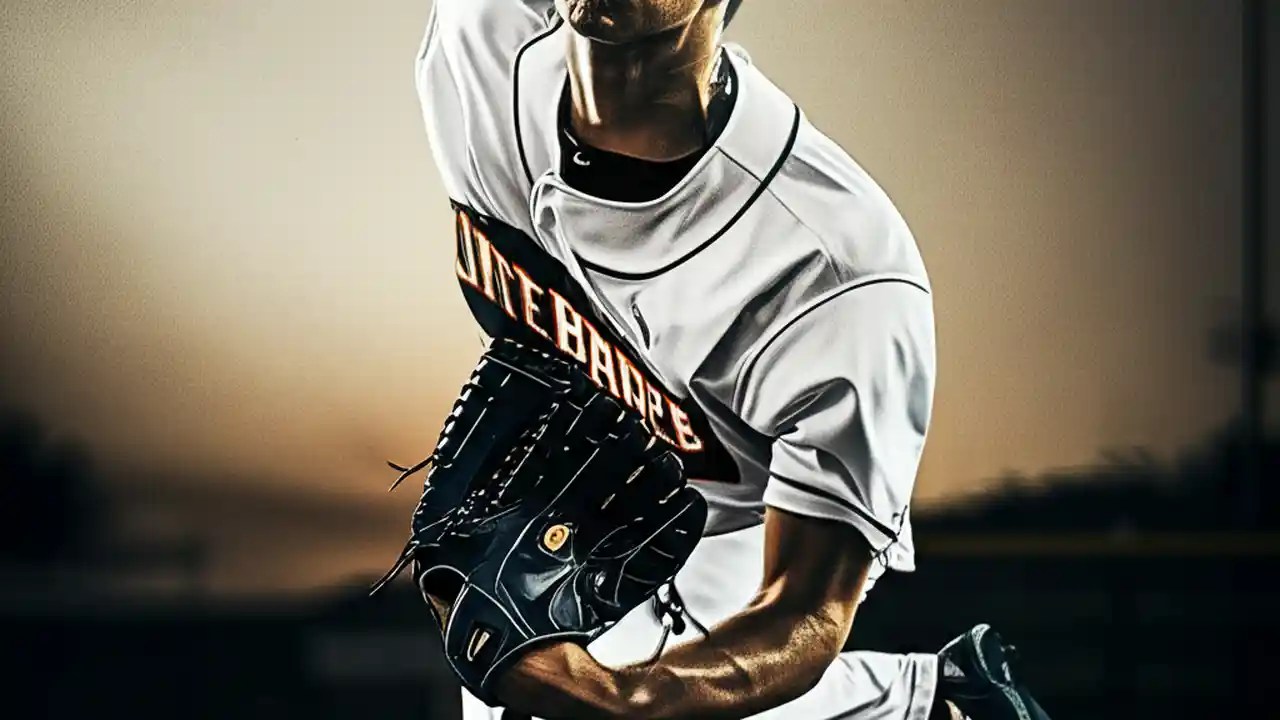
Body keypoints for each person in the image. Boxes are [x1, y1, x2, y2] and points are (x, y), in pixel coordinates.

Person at [412, 1, 1050, 718]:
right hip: (567, 504)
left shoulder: (839, 270)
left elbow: (805, 613)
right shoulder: (481, 38)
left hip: (719, 538)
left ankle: (924, 709)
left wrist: (626, 699)